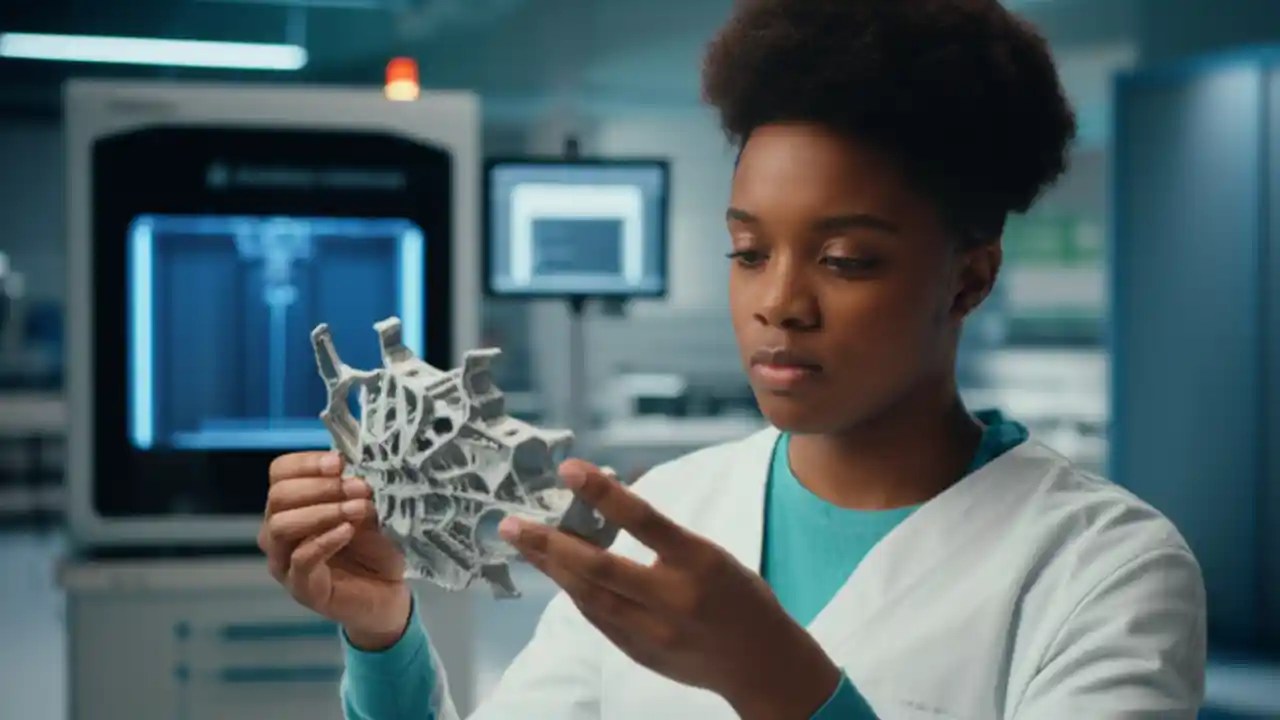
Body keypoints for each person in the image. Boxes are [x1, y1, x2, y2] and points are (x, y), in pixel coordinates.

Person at [258, 0, 1206, 717]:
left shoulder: (1105, 570)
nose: (778, 303)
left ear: (969, 278)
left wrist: (785, 686)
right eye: (749, 251)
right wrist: (382, 633)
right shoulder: (667, 513)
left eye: (844, 260)